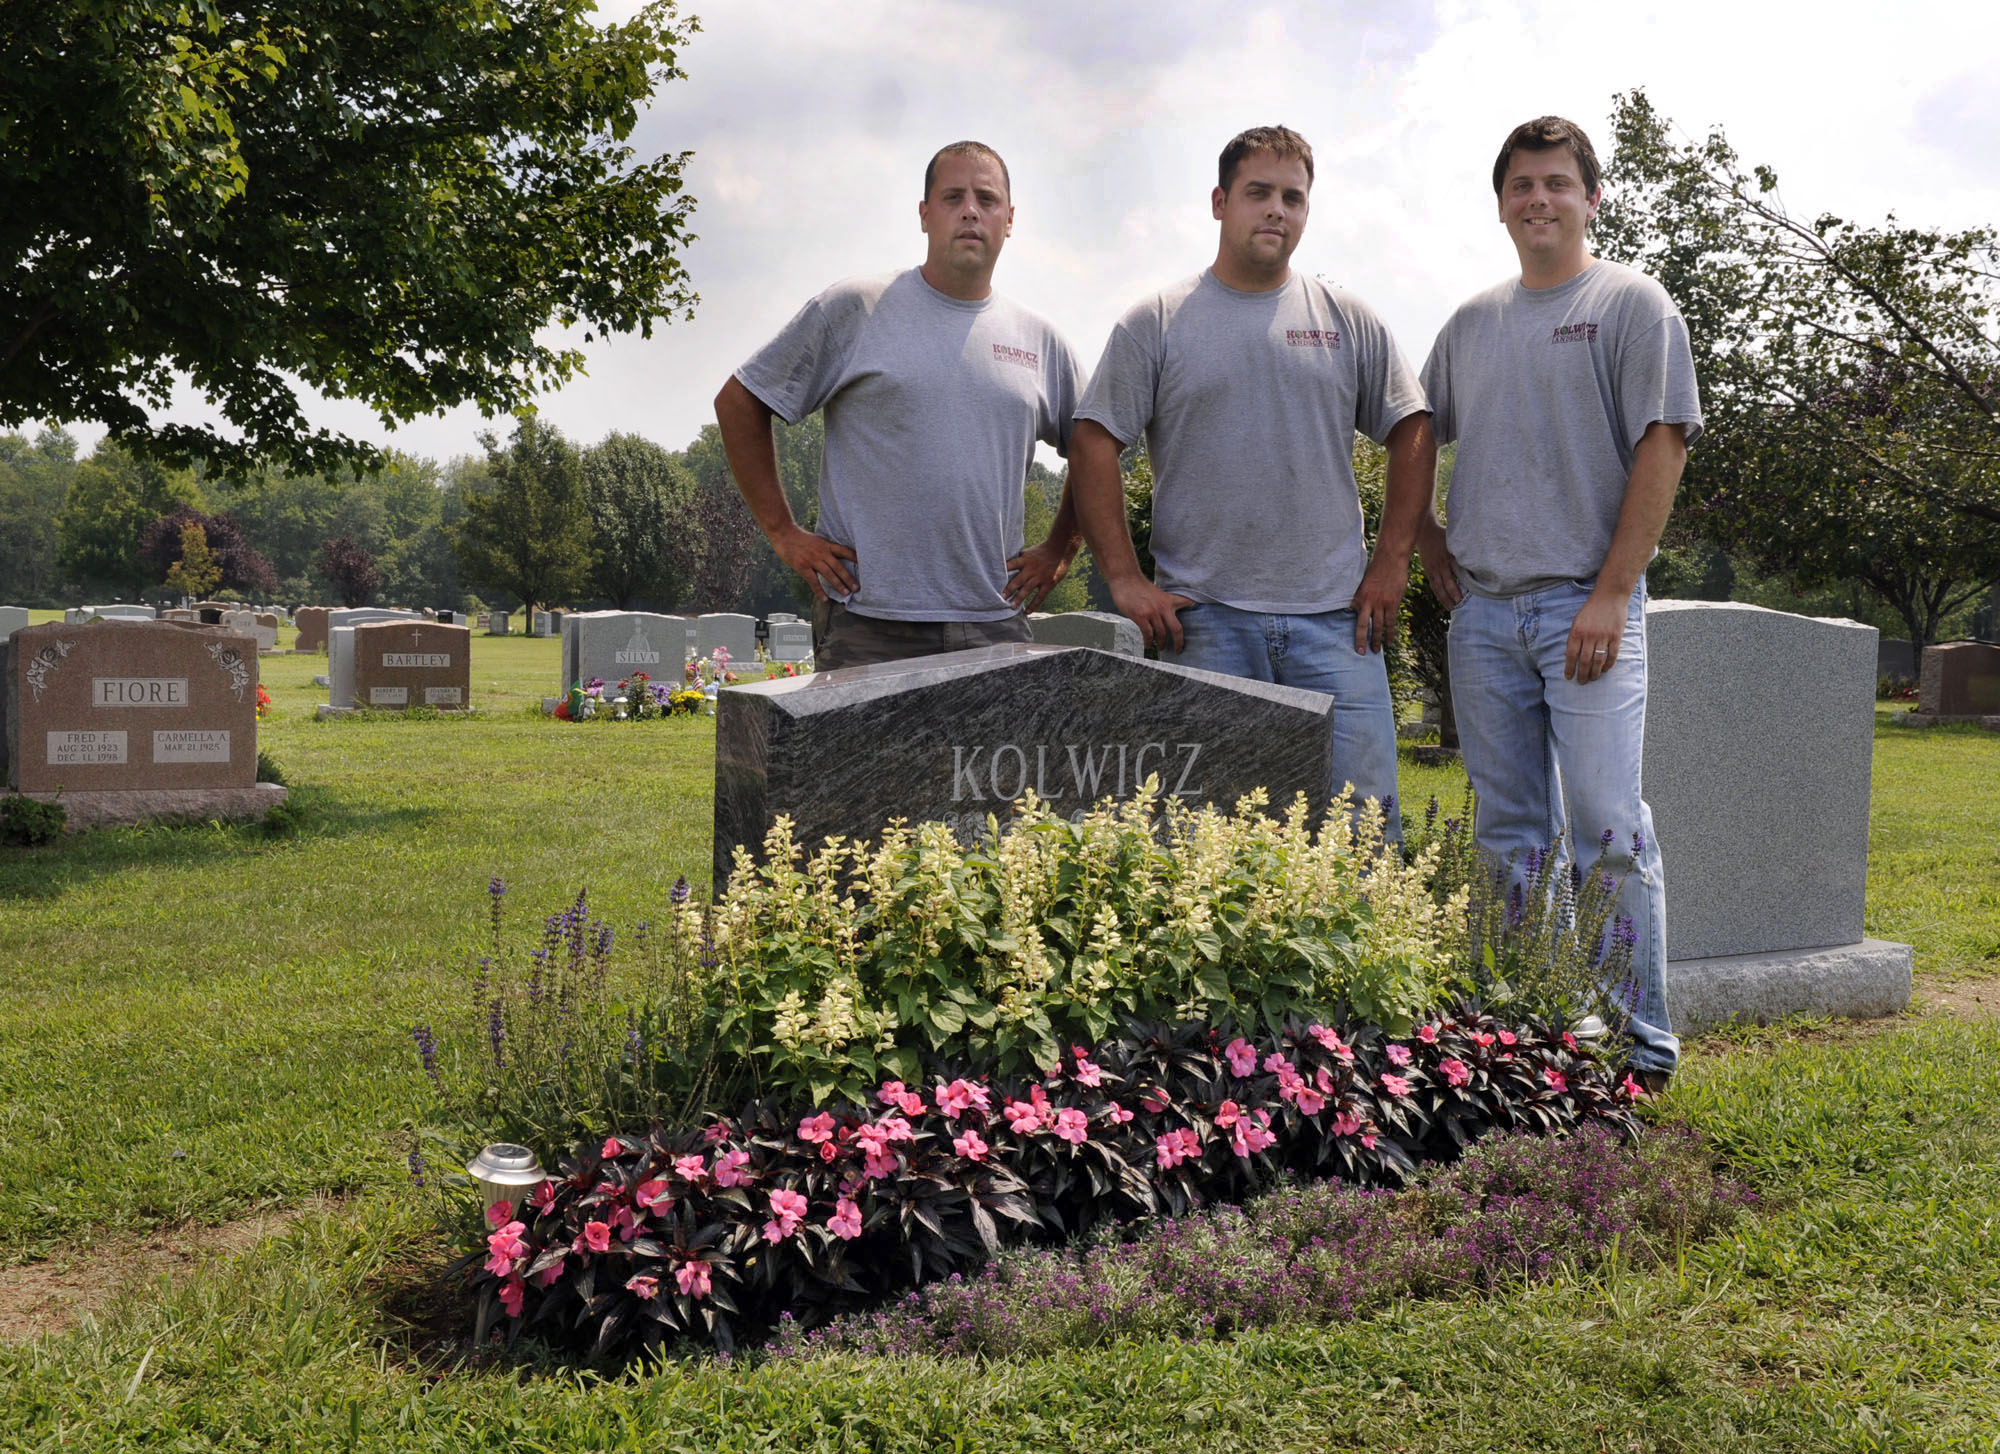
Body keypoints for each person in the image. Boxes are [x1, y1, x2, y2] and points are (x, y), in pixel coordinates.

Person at [1416, 116, 1703, 1090]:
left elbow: (1660, 446)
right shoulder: (1468, 324)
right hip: (1485, 619)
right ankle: (1526, 1028)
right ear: (1499, 203)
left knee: (1605, 828)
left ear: (1589, 197)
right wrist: (1423, 541)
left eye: (1555, 182)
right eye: (1519, 185)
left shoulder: (1631, 304)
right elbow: (1414, 438)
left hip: (1587, 612)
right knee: (1504, 833)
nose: (1536, 198)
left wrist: (1611, 593)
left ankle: (1638, 1048)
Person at [1068, 125, 1434, 829]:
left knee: (1362, 843)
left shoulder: (1345, 319)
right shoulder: (1159, 322)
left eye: (1293, 198)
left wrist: (1391, 567)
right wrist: (1123, 580)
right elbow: (1092, 441)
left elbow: (1412, 428)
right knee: (1205, 853)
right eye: (1258, 193)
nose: (1276, 210)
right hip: (1205, 625)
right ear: (1219, 202)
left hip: (1337, 627)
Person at [714, 141, 1084, 671]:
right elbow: (739, 402)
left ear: (1009, 220)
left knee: (985, 760)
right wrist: (784, 534)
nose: (970, 210)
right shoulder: (857, 307)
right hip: (867, 621)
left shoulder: (1039, 340)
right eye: (953, 196)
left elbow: (1094, 448)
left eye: (987, 198)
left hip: (994, 620)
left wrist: (1060, 549)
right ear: (925, 214)